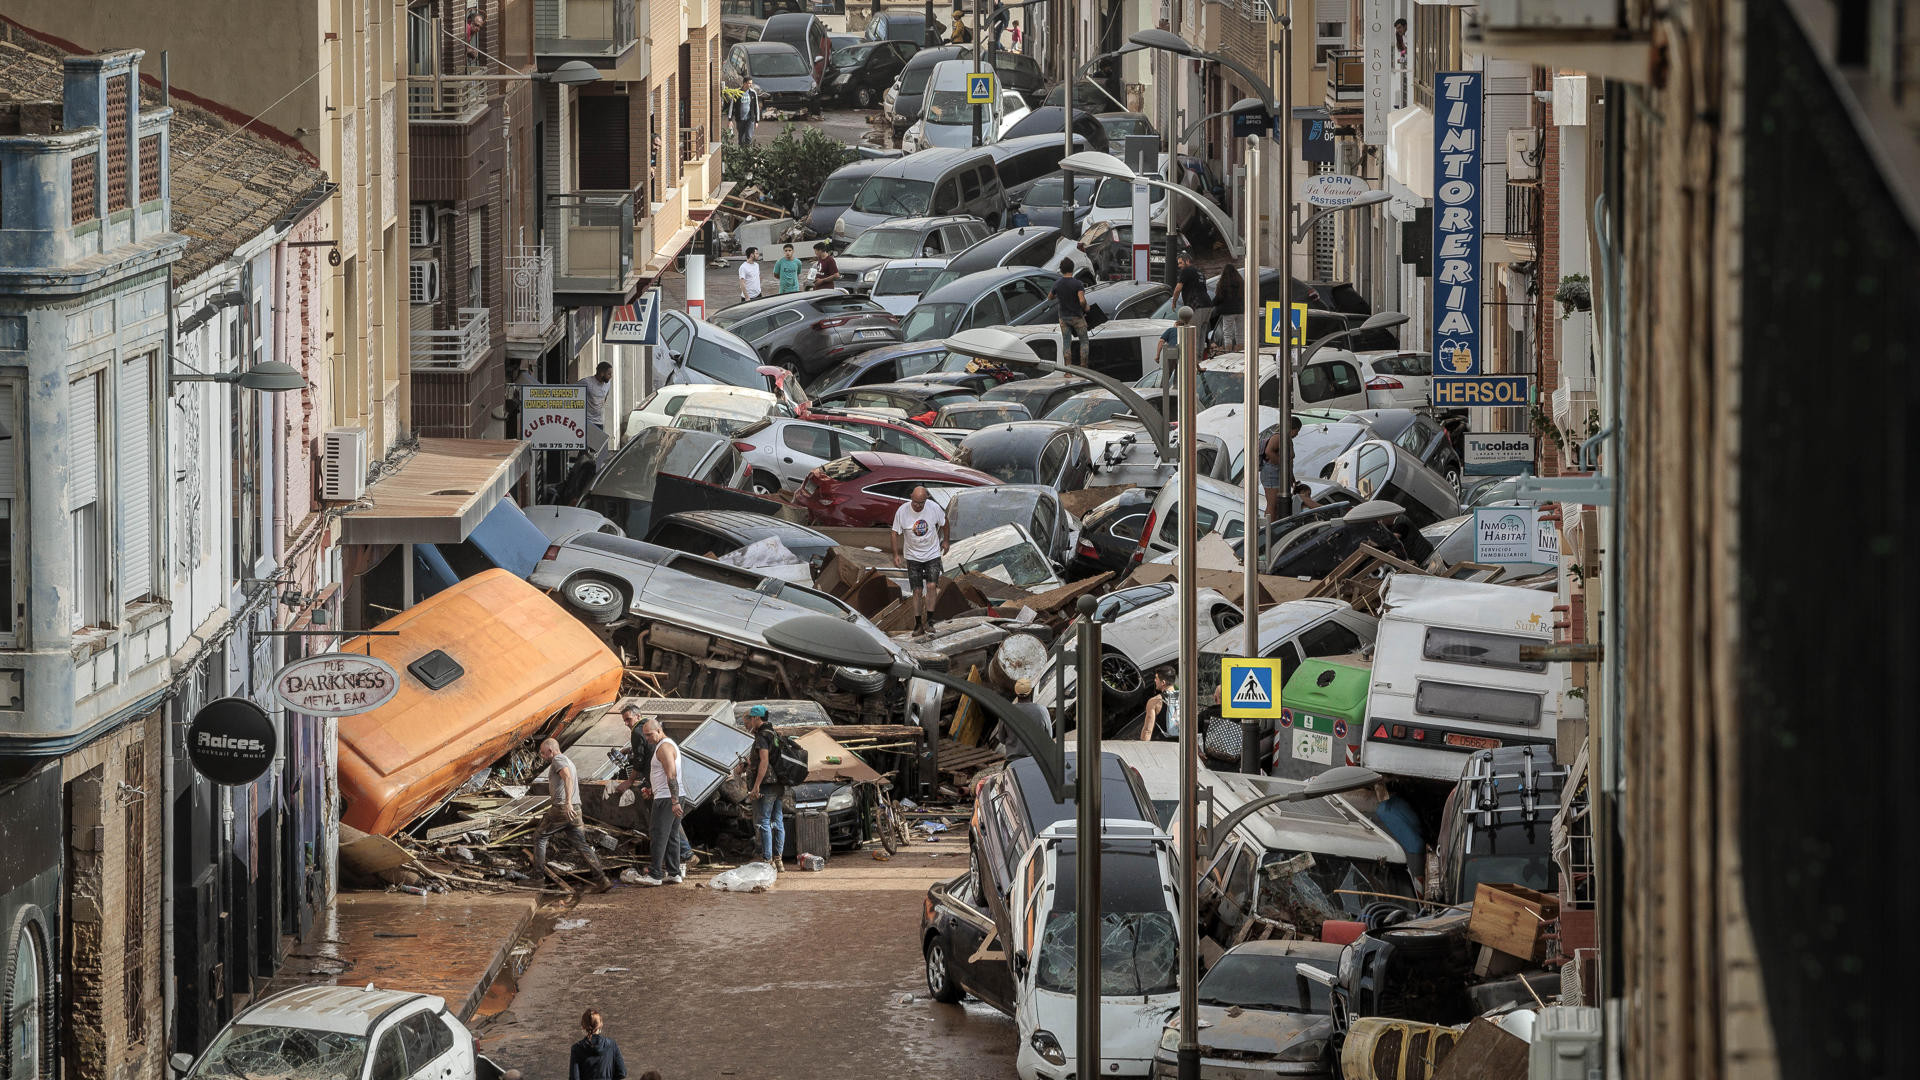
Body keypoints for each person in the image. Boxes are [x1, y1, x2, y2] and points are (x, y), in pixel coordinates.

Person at [610, 706, 693, 869]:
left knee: (659, 833)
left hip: (665, 795)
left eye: (629, 719)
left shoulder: (646, 736)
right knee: (671, 833)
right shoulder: (661, 743)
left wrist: (630, 781)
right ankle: (676, 869)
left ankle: (657, 871)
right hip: (663, 791)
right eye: (624, 720)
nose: (627, 723)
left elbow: (665, 773)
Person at [535, 739, 613, 892]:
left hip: (562, 809)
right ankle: (602, 880)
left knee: (540, 837)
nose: (543, 757)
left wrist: (567, 802)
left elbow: (567, 777)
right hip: (576, 810)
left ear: (551, 750)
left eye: (543, 753)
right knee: (582, 845)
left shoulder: (558, 760)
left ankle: (537, 879)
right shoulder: (568, 760)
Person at [890, 485, 949, 634]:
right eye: (915, 502)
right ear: (911, 497)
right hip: (913, 556)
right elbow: (894, 533)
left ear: (926, 500)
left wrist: (946, 541)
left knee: (931, 586)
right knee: (916, 590)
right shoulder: (902, 511)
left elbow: (945, 522)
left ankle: (929, 621)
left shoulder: (933, 508)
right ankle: (918, 625)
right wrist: (896, 555)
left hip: (932, 554)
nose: (917, 506)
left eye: (920, 503)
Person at [635, 719, 686, 886]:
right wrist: (653, 790)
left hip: (667, 798)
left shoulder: (664, 747)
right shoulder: (665, 745)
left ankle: (655, 874)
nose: (647, 738)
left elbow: (671, 775)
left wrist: (674, 801)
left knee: (658, 834)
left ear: (659, 730)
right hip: (667, 795)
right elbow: (664, 776)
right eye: (645, 735)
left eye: (649, 734)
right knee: (672, 835)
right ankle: (674, 873)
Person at [741, 705, 787, 869]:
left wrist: (756, 786)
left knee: (764, 822)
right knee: (778, 821)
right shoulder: (773, 733)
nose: (750, 723)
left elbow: (764, 762)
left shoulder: (761, 736)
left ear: (756, 718)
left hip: (767, 785)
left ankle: (768, 860)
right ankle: (779, 860)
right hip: (779, 784)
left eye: (751, 719)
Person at [1261, 415, 1300, 521]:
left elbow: (1290, 458)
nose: (1297, 434)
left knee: (1277, 505)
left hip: (1279, 472)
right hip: (1272, 472)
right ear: (1293, 429)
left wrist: (1290, 474)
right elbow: (1268, 452)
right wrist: (1282, 465)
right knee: (1272, 504)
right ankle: (1268, 529)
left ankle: (1274, 525)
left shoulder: (1288, 439)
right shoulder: (1278, 437)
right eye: (1297, 431)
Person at [1052, 259, 1090, 366]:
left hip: (1063, 318)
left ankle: (1068, 370)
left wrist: (1059, 295)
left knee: (1066, 342)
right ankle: (1084, 367)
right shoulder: (1078, 284)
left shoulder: (1057, 283)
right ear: (1072, 269)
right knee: (1084, 341)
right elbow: (1082, 300)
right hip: (1077, 317)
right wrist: (1086, 307)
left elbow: (1050, 297)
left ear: (1061, 269)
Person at [570, 1009, 627, 1080]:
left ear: (583, 1026)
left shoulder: (577, 1048)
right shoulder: (611, 1045)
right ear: (601, 1024)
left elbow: (574, 1078)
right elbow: (622, 1073)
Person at [1171, 252, 1213, 345]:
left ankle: (1194, 359)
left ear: (1187, 261)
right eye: (1178, 263)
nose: (1179, 266)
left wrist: (1173, 302)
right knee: (1202, 337)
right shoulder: (1200, 272)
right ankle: (1200, 358)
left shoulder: (1186, 270)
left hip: (1197, 306)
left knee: (1194, 336)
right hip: (1208, 306)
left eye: (1181, 263)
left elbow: (1178, 289)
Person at [578, 361, 613, 440]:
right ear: (601, 373)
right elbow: (572, 391)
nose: (611, 376)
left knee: (597, 448)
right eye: (609, 374)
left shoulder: (608, 384)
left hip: (599, 421)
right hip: (587, 421)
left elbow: (605, 397)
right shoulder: (587, 382)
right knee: (586, 448)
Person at [1140, 668, 1178, 740]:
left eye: (1156, 678)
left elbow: (1148, 730)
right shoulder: (1185, 699)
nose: (1154, 680)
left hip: (1162, 746)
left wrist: (1143, 748)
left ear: (1163, 682)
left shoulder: (1154, 701)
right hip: (1182, 746)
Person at [1213, 263, 1244, 350]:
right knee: (1240, 333)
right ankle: (1241, 352)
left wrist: (1211, 304)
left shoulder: (1223, 284)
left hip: (1228, 312)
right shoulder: (1241, 282)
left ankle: (1228, 353)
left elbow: (1218, 298)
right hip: (1241, 311)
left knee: (1227, 334)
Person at [733, 77, 762, 145]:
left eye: (751, 83)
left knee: (748, 137)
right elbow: (732, 106)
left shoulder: (753, 93)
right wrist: (730, 119)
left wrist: (757, 121)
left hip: (750, 119)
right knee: (741, 139)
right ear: (744, 83)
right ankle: (741, 153)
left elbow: (756, 106)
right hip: (740, 119)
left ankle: (748, 153)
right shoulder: (737, 92)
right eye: (749, 83)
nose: (750, 85)